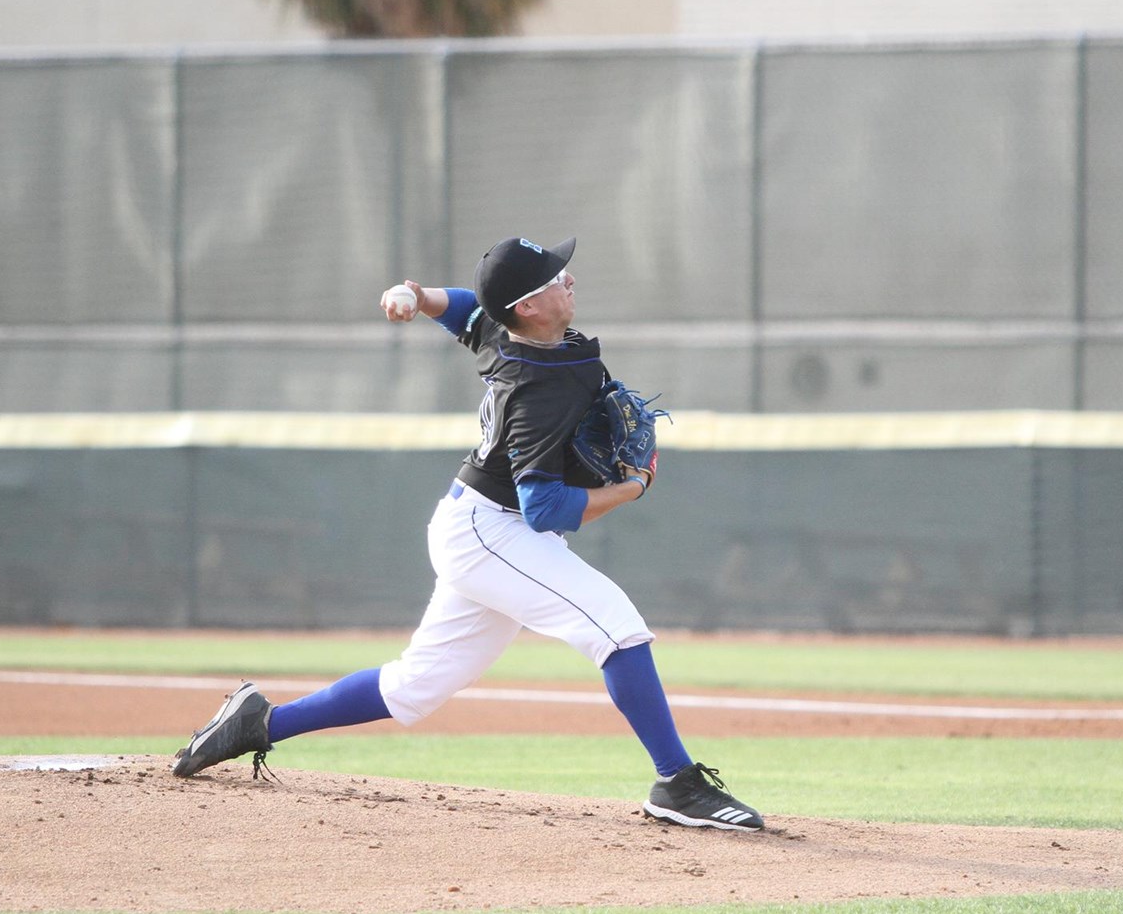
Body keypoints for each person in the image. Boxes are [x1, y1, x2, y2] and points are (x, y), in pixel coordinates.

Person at [172, 236, 764, 832]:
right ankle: (677, 783)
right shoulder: (538, 387)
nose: (570, 279)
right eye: (555, 278)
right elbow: (544, 508)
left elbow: (465, 311)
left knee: (416, 686)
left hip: (477, 527)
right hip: (493, 532)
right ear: (528, 307)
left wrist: (417, 294)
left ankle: (260, 722)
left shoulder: (516, 335)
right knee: (616, 626)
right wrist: (633, 487)